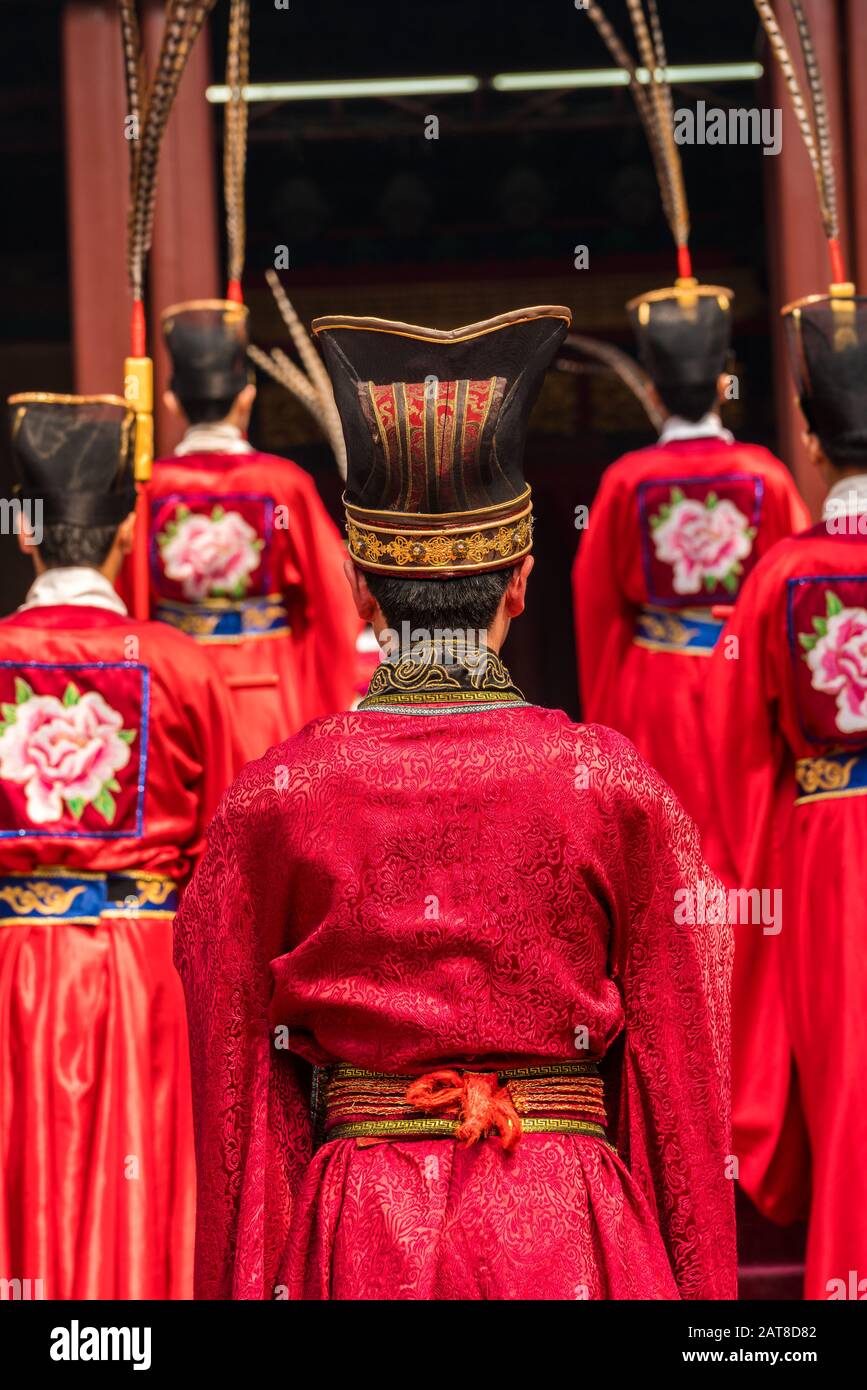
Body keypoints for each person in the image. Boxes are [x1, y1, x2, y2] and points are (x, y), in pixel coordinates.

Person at [175, 305, 735, 1301]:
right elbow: (681, 1085)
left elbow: (232, 1104)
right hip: (568, 1222)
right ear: (523, 582)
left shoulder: (277, 800)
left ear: (356, 591)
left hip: (361, 1232)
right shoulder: (608, 785)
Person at [0, 392, 233, 1299]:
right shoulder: (177, 664)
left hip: (12, 970)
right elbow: (232, 858)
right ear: (132, 531)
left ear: (25, 532)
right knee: (144, 1194)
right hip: (144, 974)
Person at [705, 287, 867, 1300]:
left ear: (807, 437)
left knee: (850, 1078)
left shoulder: (777, 578)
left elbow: (732, 750)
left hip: (824, 857)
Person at [573, 281, 809, 874]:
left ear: (652, 393)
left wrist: (606, 717)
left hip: (657, 682)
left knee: (664, 855)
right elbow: (796, 601)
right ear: (722, 387)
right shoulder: (767, 474)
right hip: (750, 679)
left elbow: (597, 603)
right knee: (753, 850)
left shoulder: (627, 480)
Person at [144, 299, 360, 769]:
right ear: (247, 396)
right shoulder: (283, 484)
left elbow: (131, 602)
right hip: (265, 693)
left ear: (171, 400)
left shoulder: (150, 489)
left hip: (170, 692)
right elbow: (333, 598)